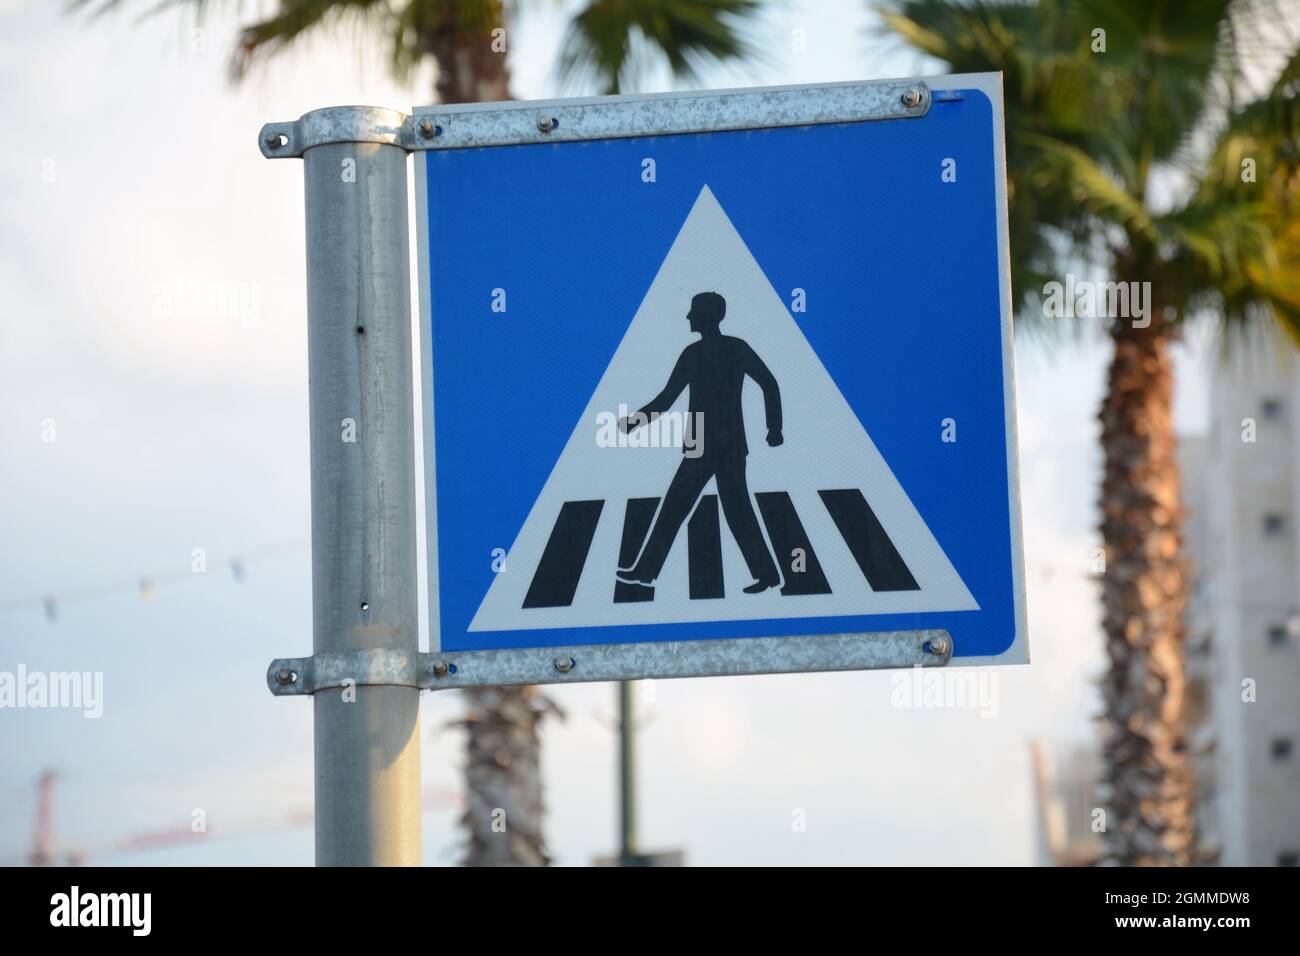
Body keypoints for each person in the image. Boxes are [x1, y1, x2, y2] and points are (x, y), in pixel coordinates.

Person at [617, 291, 782, 594]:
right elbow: (667, 399)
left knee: (730, 509)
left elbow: (769, 382)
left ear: (707, 315)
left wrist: (774, 429)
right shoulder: (702, 352)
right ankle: (644, 571)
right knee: (680, 507)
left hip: (718, 442)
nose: (688, 317)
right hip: (709, 442)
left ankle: (767, 574)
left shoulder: (725, 350)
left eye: (693, 312)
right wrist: (633, 422)